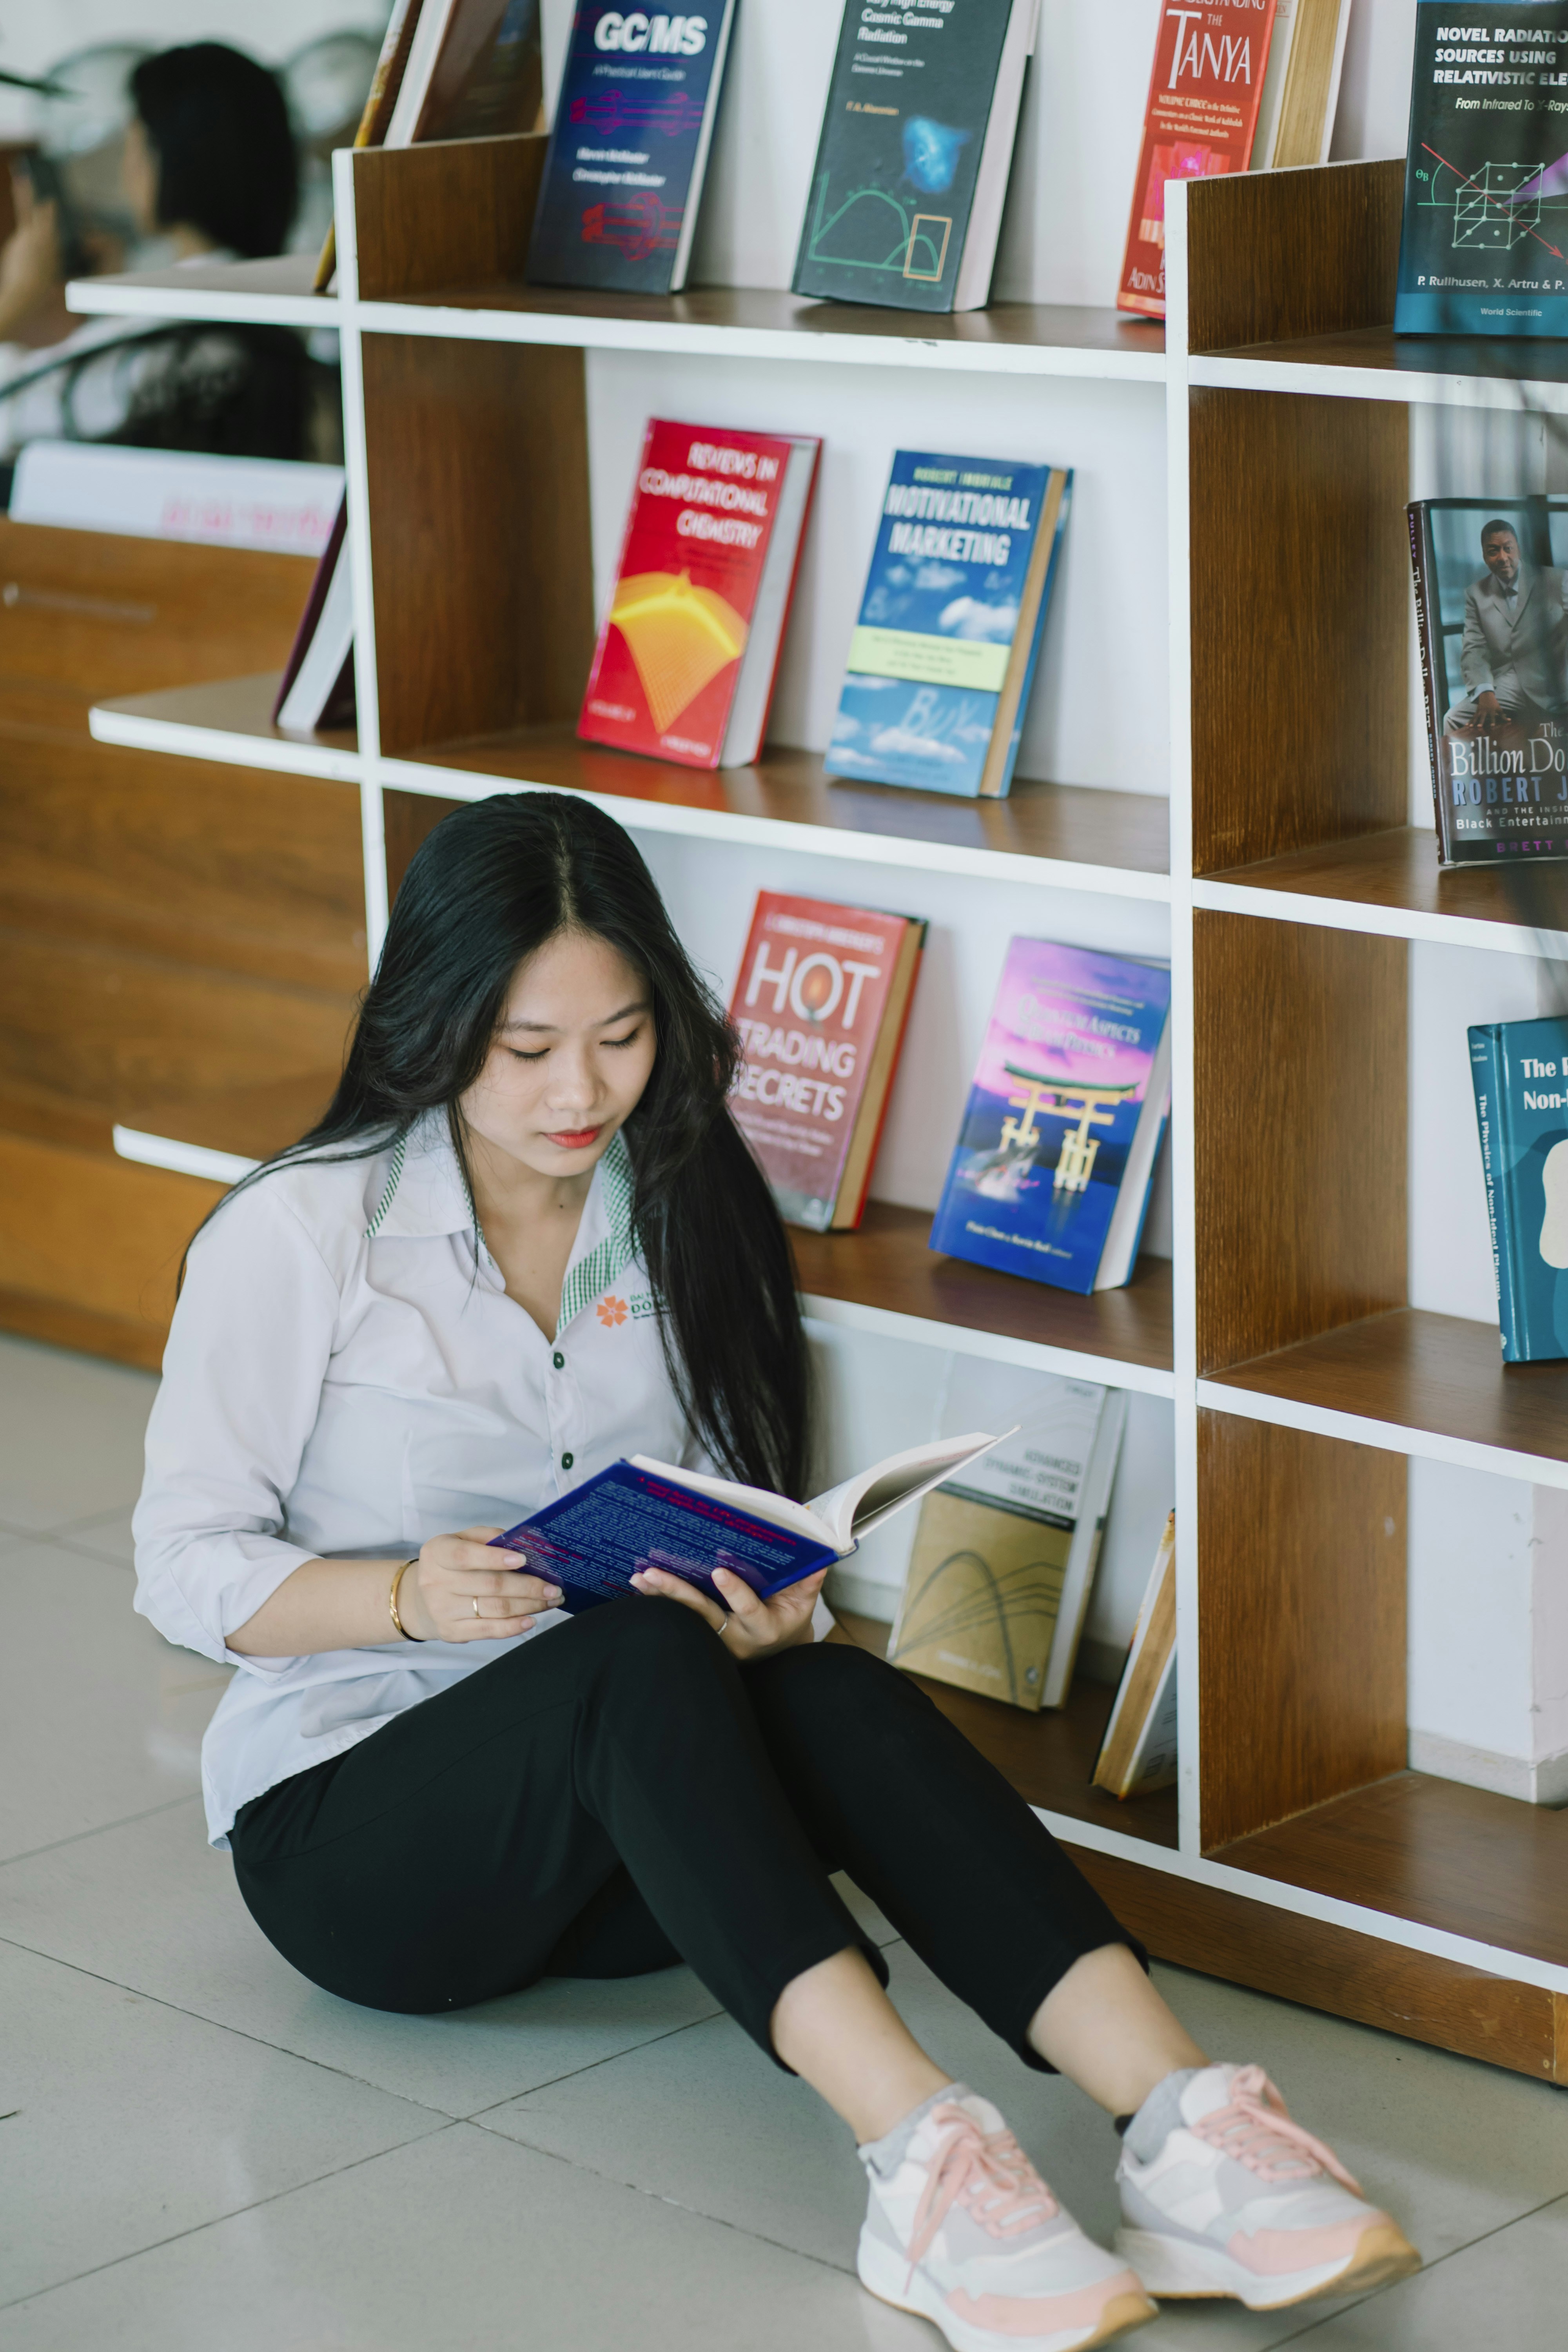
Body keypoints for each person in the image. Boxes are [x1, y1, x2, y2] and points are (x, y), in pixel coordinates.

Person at [133, 794, 1419, 2352]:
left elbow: (708, 1492)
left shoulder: (675, 1202)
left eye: (620, 1035)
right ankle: (929, 2165)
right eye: (526, 1050)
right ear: (433, 1024)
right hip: (361, 1841)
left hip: (630, 1834)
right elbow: (182, 1567)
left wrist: (764, 1604)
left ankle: (1185, 2128)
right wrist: (408, 1593)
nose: (582, 1090)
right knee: (628, 1668)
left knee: (812, 1684)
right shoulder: (303, 1233)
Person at [0, 43, 308, 461]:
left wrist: (13, 303)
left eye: (135, 143)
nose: (128, 165)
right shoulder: (286, 311)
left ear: (165, 157)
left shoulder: (160, 337)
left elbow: (14, 418)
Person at [1443, 515, 1568, 737]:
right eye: (1493, 551)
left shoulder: (1558, 580)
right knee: (1453, 718)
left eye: (1508, 548)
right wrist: (1485, 693)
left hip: (1554, 682)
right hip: (1510, 686)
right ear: (1484, 556)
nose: (1503, 558)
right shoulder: (1475, 594)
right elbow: (1474, 649)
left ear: (1518, 548)